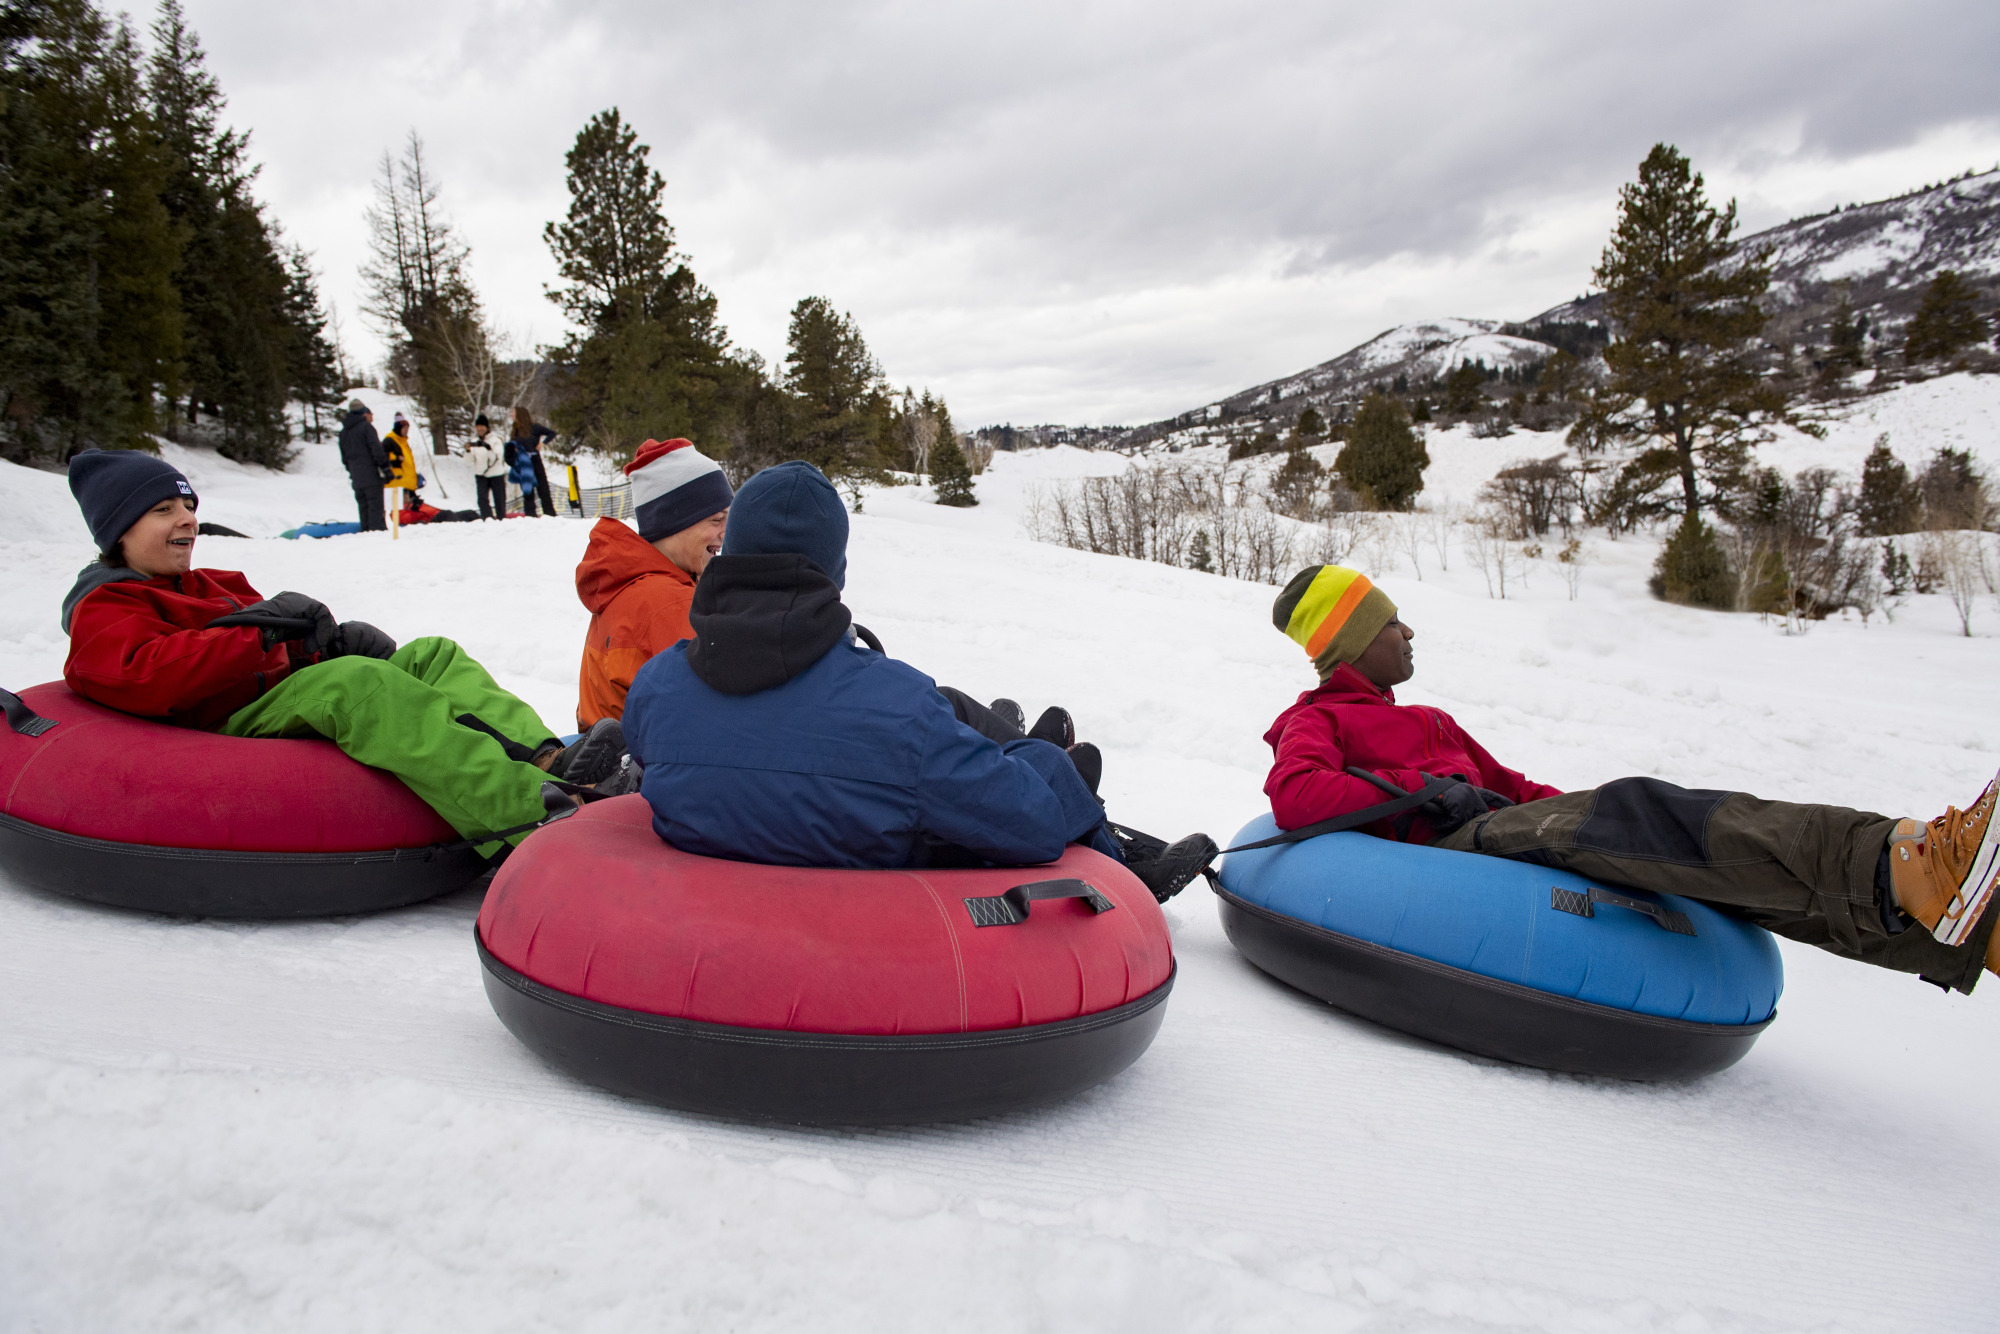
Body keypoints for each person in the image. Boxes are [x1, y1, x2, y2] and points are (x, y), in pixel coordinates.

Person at [1259, 563, 2000, 993]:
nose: (1410, 632)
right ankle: (1902, 862)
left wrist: (1582, 808)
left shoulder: (1433, 720)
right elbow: (1295, 797)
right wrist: (1410, 792)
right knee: (1643, 811)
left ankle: (1968, 932)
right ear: (1355, 644)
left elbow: (1518, 790)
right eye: (1394, 624)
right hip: (1451, 851)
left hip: (1496, 828)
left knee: (1686, 852)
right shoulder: (1317, 721)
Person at [621, 461, 1214, 899]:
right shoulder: (897, 708)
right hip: (874, 919)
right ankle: (1126, 882)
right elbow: (1029, 828)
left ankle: (999, 750)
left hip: (706, 909)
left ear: (731, 555)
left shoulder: (656, 687)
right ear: (836, 573)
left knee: (943, 738)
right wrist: (1043, 772)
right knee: (1048, 768)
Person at [59, 449, 626, 854]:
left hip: (271, 694)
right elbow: (146, 677)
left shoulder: (215, 582)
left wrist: (322, 646)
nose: (187, 520)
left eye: (187, 508)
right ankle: (532, 812)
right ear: (119, 532)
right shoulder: (107, 606)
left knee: (431, 654)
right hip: (219, 717)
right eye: (163, 512)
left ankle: (551, 762)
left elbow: (276, 650)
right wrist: (259, 634)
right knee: (359, 685)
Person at [574, 437, 733, 729]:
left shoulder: (630, 580)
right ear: (677, 521)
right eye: (716, 520)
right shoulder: (666, 601)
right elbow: (708, 714)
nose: (725, 531)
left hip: (608, 760)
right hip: (642, 767)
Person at [336, 399, 389, 532]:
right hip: (371, 476)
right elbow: (377, 450)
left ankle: (366, 540)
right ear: (364, 414)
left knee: (364, 512)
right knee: (376, 513)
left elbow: (344, 458)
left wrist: (353, 472)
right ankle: (379, 541)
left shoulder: (344, 433)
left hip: (357, 479)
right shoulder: (366, 428)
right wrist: (386, 469)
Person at [507, 407, 558, 518]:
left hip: (535, 460)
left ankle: (550, 515)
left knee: (543, 488)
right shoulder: (515, 429)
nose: (511, 414)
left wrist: (542, 444)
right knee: (527, 490)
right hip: (523, 463)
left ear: (520, 414)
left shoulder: (534, 427)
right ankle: (530, 515)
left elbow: (552, 433)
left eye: (513, 412)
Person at [461, 414, 509, 520]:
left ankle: (502, 519)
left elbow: (497, 458)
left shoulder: (495, 440)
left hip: (496, 474)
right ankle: (487, 519)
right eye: (477, 427)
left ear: (487, 427)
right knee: (482, 500)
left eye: (482, 426)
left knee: (499, 499)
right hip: (481, 475)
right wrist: (468, 451)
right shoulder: (474, 441)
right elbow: (468, 461)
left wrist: (487, 448)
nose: (480, 429)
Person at [382, 413, 421, 512]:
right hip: (398, 484)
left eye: (407, 427)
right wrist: (395, 459)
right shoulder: (389, 440)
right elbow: (382, 457)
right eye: (404, 428)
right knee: (401, 512)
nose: (406, 430)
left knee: (409, 511)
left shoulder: (404, 443)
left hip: (407, 484)